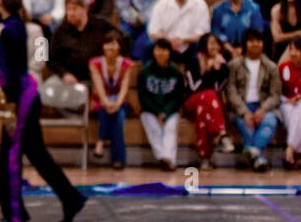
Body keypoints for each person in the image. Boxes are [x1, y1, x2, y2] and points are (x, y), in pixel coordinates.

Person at [0, 0, 87, 222]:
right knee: (36, 152)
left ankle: (14, 213)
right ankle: (70, 197)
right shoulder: (37, 30)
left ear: (1, 3)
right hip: (28, 93)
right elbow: (39, 61)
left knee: (10, 153)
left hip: (17, 94)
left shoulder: (5, 30)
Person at [225, 28, 282, 172]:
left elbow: (275, 95)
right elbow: (231, 92)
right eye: (251, 41)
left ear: (263, 44)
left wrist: (263, 110)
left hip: (264, 106)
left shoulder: (271, 67)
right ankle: (258, 159)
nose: (255, 44)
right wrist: (244, 112)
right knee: (246, 124)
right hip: (241, 107)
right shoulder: (234, 65)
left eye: (258, 41)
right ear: (245, 44)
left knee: (270, 121)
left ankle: (253, 151)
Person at [183, 33, 237, 169]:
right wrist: (207, 71)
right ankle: (221, 134)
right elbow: (194, 88)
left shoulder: (223, 66)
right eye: (211, 43)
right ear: (204, 45)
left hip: (209, 107)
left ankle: (204, 158)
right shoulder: (193, 62)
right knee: (207, 96)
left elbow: (218, 89)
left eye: (217, 44)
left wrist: (216, 70)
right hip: (191, 101)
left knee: (205, 109)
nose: (215, 47)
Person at [138, 37, 185, 170]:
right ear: (153, 52)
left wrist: (166, 112)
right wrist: (157, 112)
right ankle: (163, 157)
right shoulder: (145, 71)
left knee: (170, 129)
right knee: (153, 128)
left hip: (170, 109)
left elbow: (178, 96)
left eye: (164, 50)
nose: (161, 53)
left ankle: (168, 159)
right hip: (150, 110)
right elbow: (143, 96)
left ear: (169, 52)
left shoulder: (175, 72)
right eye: (158, 50)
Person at [88, 28, 131, 169]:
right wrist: (106, 102)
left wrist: (117, 103)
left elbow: (124, 87)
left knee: (118, 113)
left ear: (119, 46)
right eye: (107, 44)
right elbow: (99, 86)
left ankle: (101, 141)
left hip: (121, 102)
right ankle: (119, 159)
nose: (110, 47)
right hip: (101, 101)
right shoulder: (95, 63)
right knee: (115, 115)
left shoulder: (127, 64)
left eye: (113, 44)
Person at [277, 39, 301, 168]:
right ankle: (300, 154)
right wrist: (286, 100)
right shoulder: (283, 67)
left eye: (297, 50)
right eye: (291, 49)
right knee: (294, 112)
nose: (293, 53)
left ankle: (290, 149)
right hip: (287, 104)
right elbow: (277, 91)